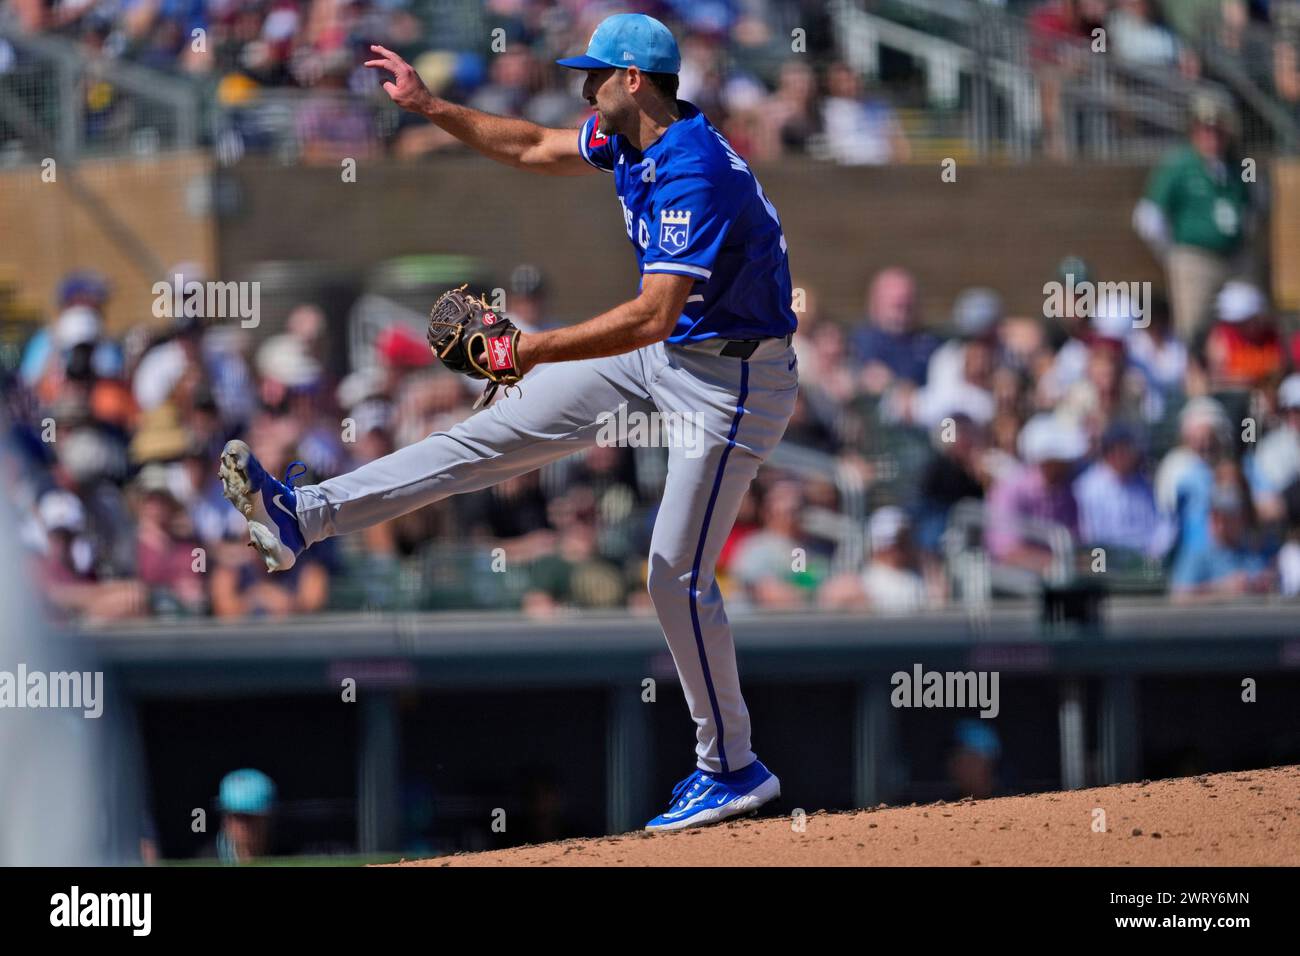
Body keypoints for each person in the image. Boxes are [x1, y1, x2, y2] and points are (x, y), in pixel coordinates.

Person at [217, 14, 796, 832]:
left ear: (636, 79)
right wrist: (429, 106)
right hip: (670, 352)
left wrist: (529, 350)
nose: (582, 85)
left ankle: (731, 765)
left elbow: (654, 315)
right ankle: (302, 517)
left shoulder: (693, 166)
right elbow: (531, 146)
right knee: (480, 440)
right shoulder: (628, 135)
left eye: (594, 72)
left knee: (675, 574)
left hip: (734, 379)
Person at [1133, 93, 1250, 342]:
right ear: (1194, 130)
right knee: (1194, 330)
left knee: (1242, 327)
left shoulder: (1237, 166)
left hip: (1235, 258)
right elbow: (1147, 217)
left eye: (1217, 130)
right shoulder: (1179, 165)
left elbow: (1252, 209)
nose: (1211, 136)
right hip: (1194, 259)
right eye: (1205, 129)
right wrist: (1172, 252)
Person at [208, 769, 276, 864]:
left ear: (267, 818)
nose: (243, 825)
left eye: (250, 817)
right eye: (237, 816)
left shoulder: (291, 853)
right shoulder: (207, 860)